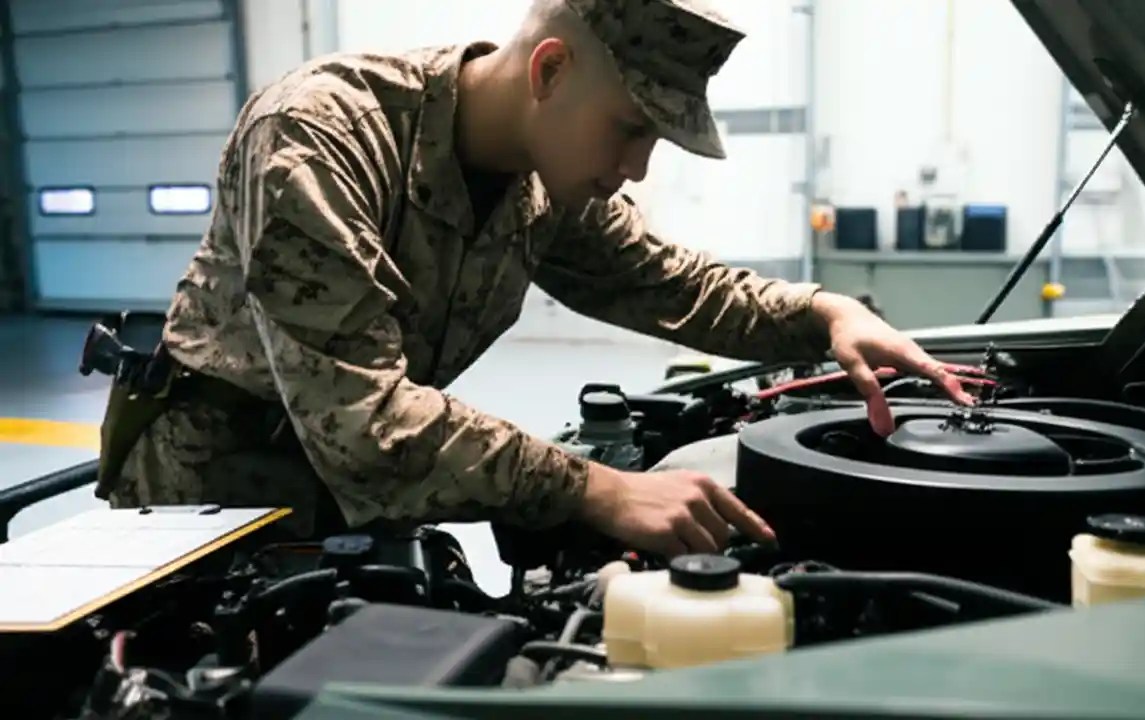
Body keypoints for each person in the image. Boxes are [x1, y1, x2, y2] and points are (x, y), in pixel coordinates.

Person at [95, 0, 976, 558]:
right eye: (630, 130)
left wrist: (825, 313)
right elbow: (362, 420)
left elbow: (674, 285)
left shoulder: (543, 184)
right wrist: (598, 488)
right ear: (551, 70)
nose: (633, 169)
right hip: (205, 523)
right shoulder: (318, 135)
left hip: (356, 522)